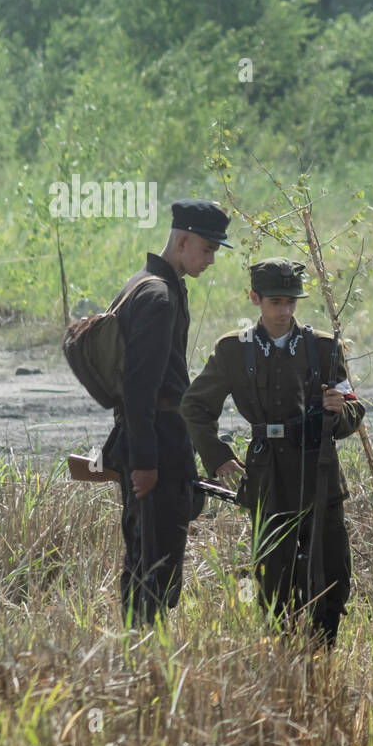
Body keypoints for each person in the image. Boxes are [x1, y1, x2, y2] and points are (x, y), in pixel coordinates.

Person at [180, 258, 364, 646]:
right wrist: (218, 458)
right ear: (255, 299)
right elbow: (195, 407)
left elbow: (353, 410)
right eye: (275, 302)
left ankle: (323, 650)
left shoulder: (324, 347)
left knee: (333, 570)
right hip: (269, 474)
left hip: (320, 471)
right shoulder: (234, 350)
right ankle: (281, 651)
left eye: (291, 302)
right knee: (274, 575)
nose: (284, 311)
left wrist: (339, 410)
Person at [101, 199, 229, 626]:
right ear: (182, 240)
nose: (211, 259)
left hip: (161, 443)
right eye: (207, 249)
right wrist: (146, 464)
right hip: (156, 448)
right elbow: (141, 391)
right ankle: (142, 658)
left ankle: (142, 653)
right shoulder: (157, 294)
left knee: (151, 562)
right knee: (152, 568)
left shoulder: (151, 283)